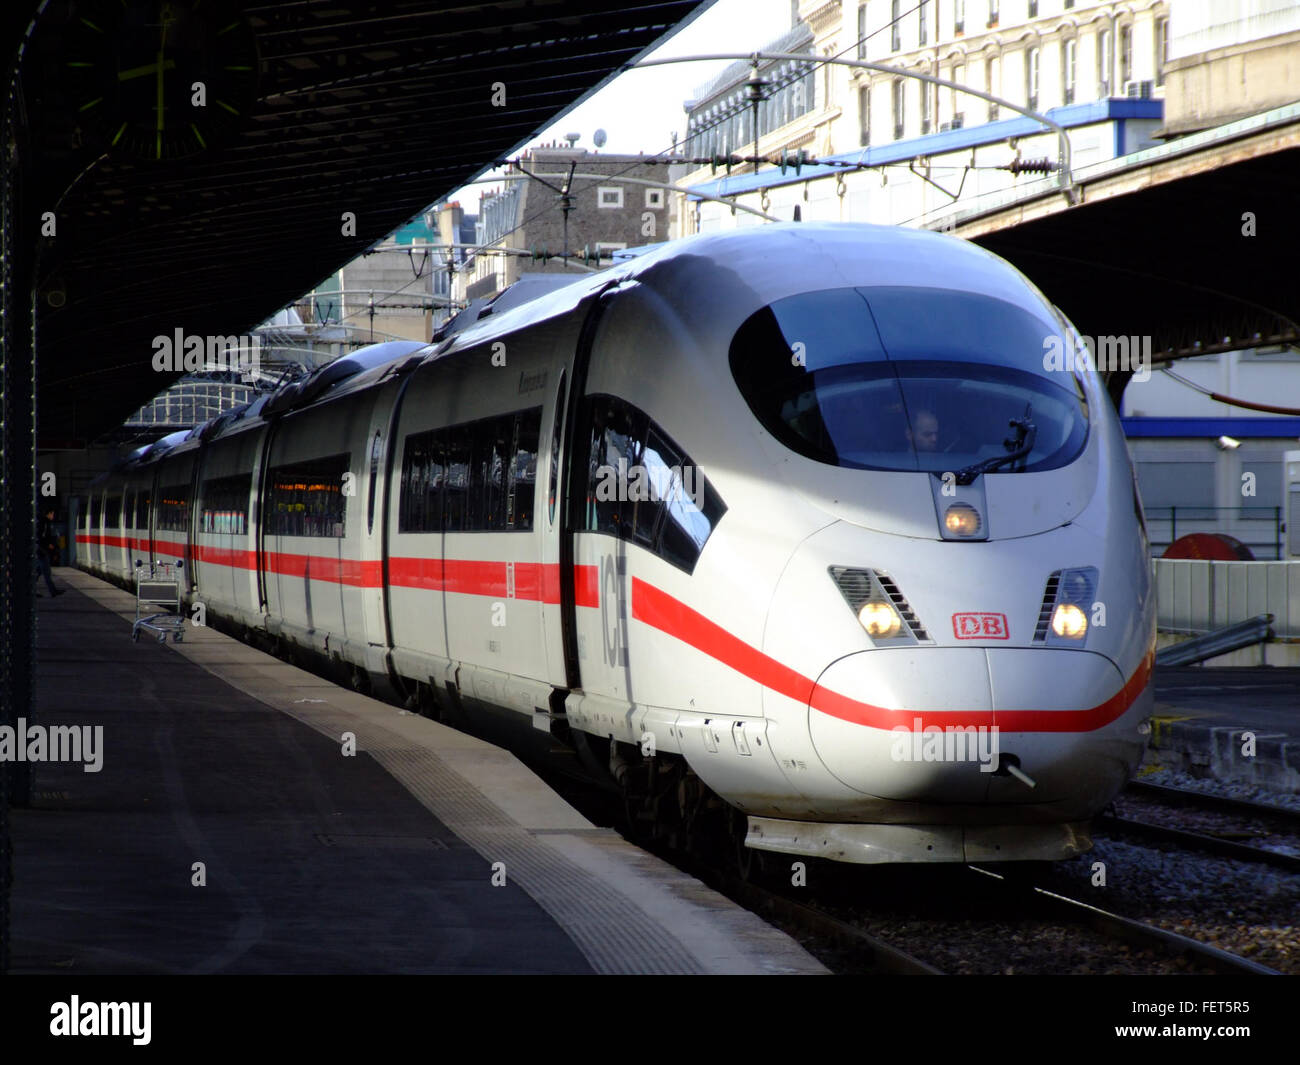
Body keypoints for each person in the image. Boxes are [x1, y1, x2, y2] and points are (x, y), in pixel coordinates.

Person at [36, 505, 65, 597]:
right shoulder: (45, 523)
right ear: (49, 514)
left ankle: (31, 589)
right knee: (47, 572)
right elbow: (41, 537)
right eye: (53, 514)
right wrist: (48, 545)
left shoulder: (44, 522)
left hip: (41, 550)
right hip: (42, 551)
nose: (53, 516)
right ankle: (53, 591)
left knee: (38, 571)